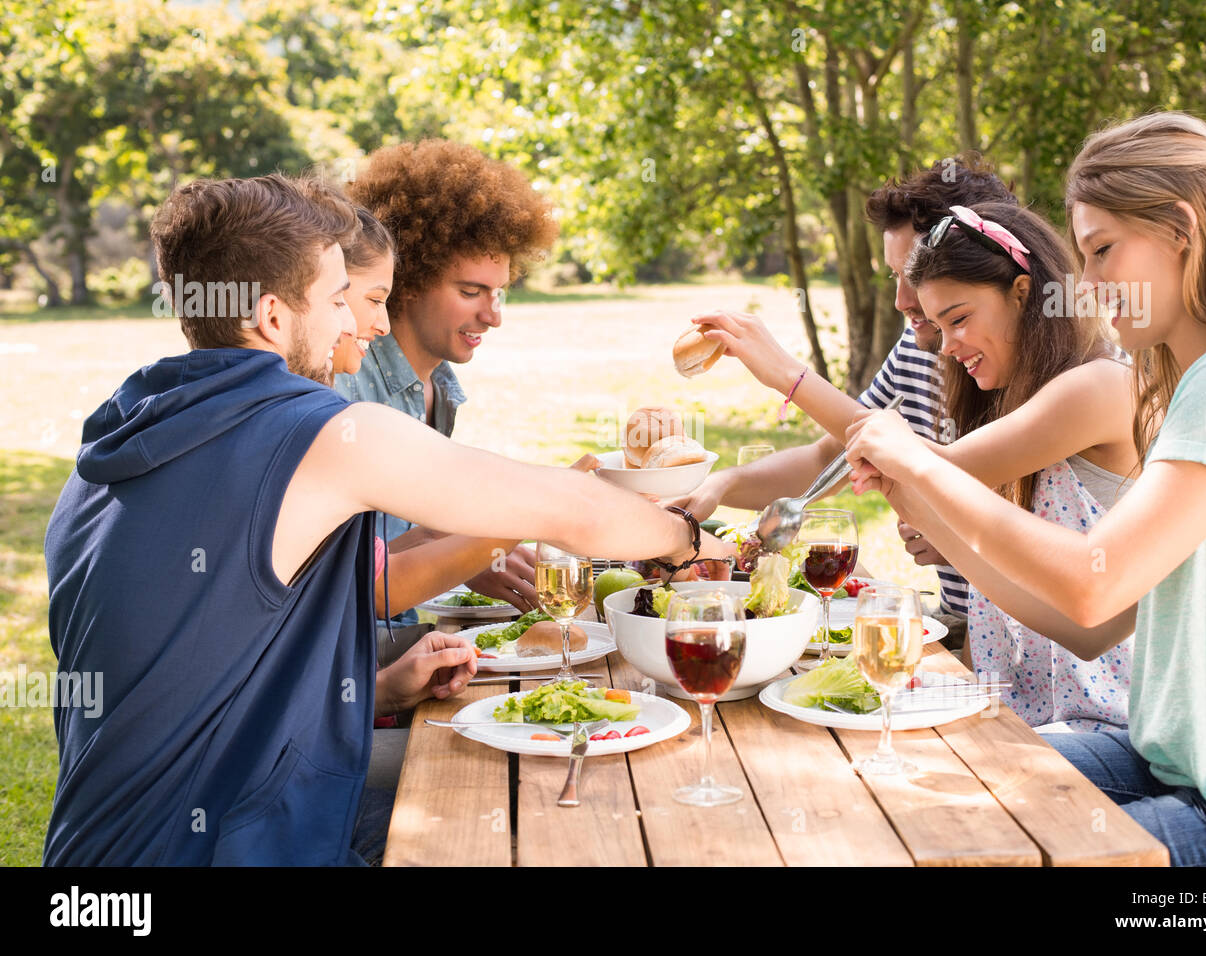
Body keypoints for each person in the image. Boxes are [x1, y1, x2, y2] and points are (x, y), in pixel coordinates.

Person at [43, 173, 729, 866]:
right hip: (207, 852)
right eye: (337, 300)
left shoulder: (117, 444)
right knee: (537, 816)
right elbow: (572, 509)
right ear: (273, 317)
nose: (353, 325)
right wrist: (688, 543)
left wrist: (380, 689)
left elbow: (214, 671)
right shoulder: (313, 433)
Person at [844, 112, 1206, 865]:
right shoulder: (1196, 382)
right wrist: (919, 496)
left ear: (1181, 229)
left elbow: (1093, 585)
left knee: (956, 843)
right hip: (1166, 764)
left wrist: (923, 466)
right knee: (919, 789)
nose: (1086, 284)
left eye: (1103, 250)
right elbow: (1095, 626)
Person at [671, 154, 1016, 623]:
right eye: (895, 275)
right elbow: (828, 459)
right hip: (962, 624)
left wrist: (958, 536)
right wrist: (721, 484)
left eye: (916, 276)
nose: (901, 300)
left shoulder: (1036, 371)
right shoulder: (915, 350)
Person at [897, 200, 1138, 730]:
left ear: (1023, 293)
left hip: (1103, 719)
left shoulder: (1097, 386)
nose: (947, 346)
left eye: (959, 319)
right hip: (1023, 711)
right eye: (938, 326)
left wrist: (785, 376)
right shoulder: (1018, 395)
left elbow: (931, 472)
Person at [336, 140, 559, 617]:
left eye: (498, 292)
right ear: (408, 280)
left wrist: (463, 551)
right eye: (471, 291)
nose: (493, 316)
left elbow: (396, 543)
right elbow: (331, 580)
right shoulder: (345, 389)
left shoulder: (440, 389)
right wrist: (466, 552)